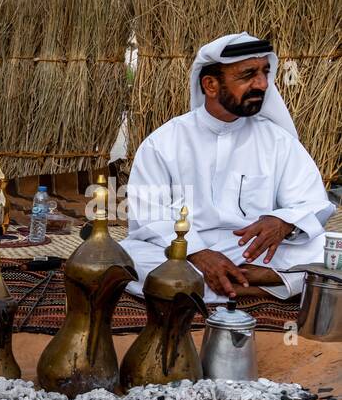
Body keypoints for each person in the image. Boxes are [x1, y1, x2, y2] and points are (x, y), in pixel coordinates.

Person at [122, 32, 333, 302]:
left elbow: (312, 202)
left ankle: (218, 286)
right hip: (185, 250)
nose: (262, 84)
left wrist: (283, 222)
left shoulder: (278, 141)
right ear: (210, 85)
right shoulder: (164, 142)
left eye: (265, 72)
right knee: (128, 257)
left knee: (330, 249)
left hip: (253, 250)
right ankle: (259, 283)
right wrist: (198, 254)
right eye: (248, 75)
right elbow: (149, 215)